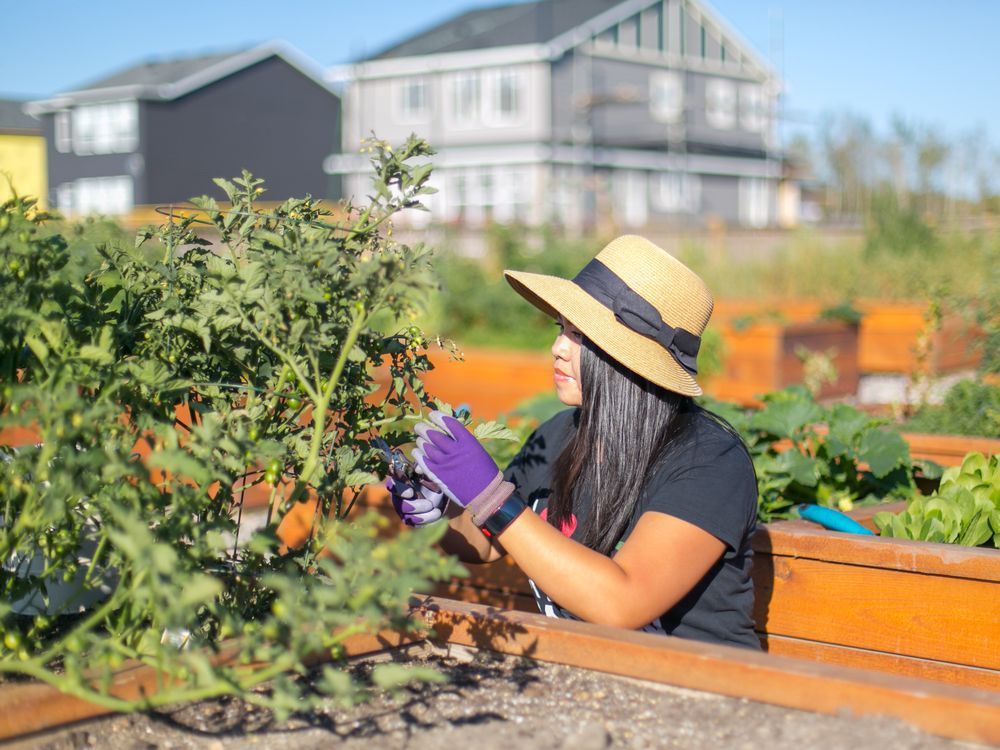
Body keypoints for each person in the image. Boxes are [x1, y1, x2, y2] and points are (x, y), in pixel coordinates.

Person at [390, 235, 760, 649]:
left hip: (711, 690)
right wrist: (441, 511)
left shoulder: (709, 462)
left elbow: (623, 603)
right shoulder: (559, 434)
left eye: (579, 335)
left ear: (628, 359)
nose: (557, 348)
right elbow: (488, 545)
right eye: (560, 329)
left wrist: (491, 495)